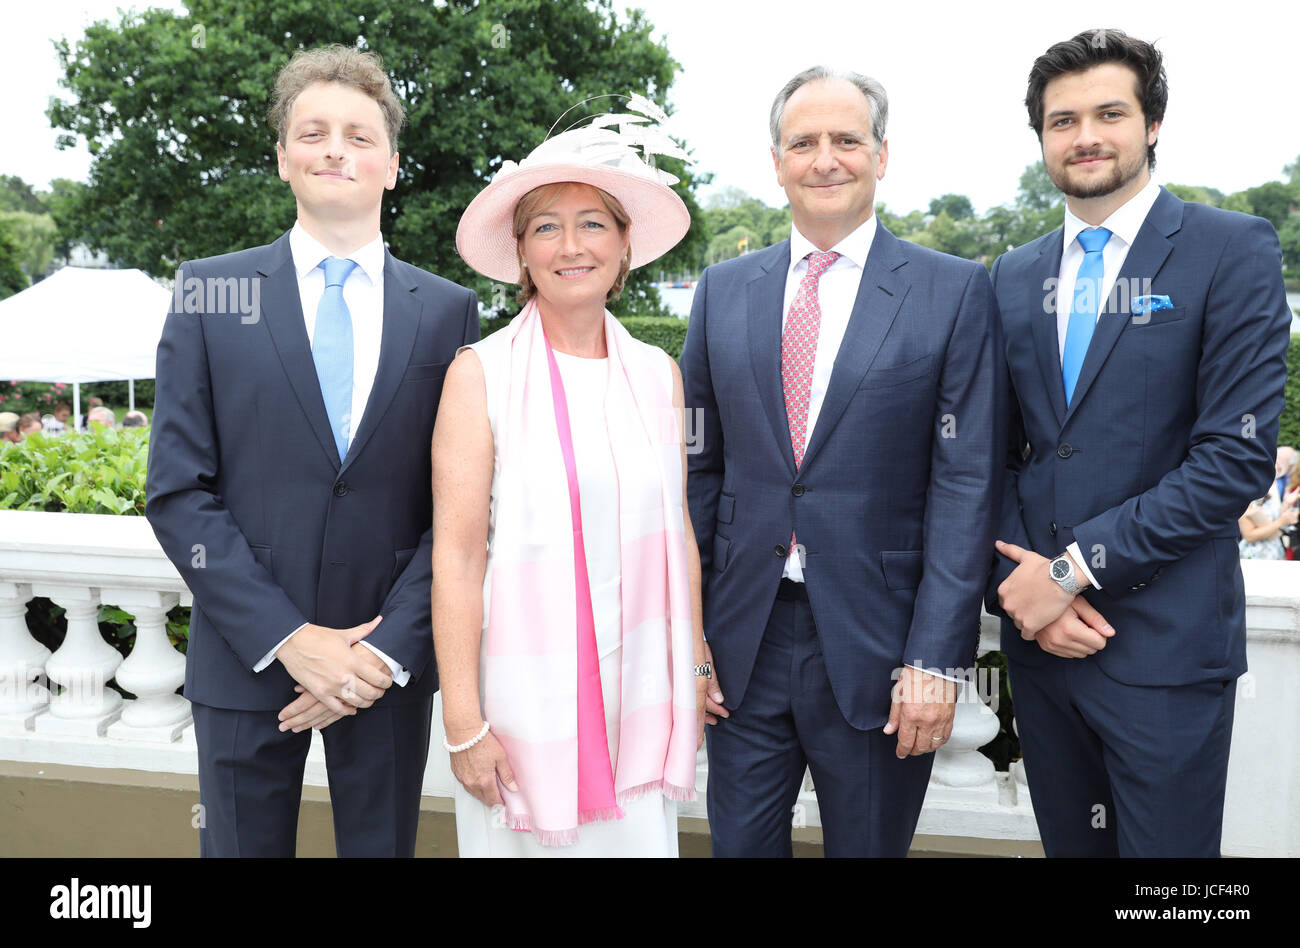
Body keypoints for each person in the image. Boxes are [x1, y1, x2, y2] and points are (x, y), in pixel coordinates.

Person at [145, 45, 479, 857]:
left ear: (393, 165)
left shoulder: (446, 311)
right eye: (316, 132)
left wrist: (380, 653)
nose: (337, 149)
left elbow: (462, 508)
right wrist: (291, 639)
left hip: (386, 673)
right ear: (284, 159)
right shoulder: (209, 292)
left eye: (361, 136)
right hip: (244, 660)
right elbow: (178, 492)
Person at [680, 67, 1003, 857]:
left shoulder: (953, 291)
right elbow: (693, 471)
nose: (825, 159)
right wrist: (687, 639)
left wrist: (936, 659)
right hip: (740, 648)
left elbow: (966, 484)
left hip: (881, 654)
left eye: (846, 140)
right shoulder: (722, 291)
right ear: (777, 159)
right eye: (804, 142)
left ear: (882, 155)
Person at [987, 29, 1292, 857]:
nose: (1086, 135)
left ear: (1152, 124)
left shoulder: (1230, 251)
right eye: (1062, 120)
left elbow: (1232, 459)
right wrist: (1023, 593)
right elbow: (988, 455)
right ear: (1042, 137)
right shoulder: (1012, 276)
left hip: (1164, 654)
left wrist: (1068, 573)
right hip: (1044, 654)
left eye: (1109, 113)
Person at [434, 100, 703, 856]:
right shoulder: (477, 375)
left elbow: (676, 525)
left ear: (623, 247)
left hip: (640, 696)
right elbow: (456, 556)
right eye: (546, 225)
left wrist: (698, 658)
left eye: (593, 223)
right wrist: (464, 722)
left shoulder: (660, 376)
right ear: (521, 252)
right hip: (521, 710)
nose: (570, 244)